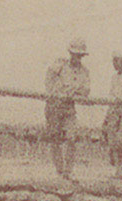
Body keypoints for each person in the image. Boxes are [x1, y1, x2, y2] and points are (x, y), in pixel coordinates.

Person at [44, 38, 90, 178]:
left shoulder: (84, 71)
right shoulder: (60, 65)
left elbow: (86, 91)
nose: (77, 57)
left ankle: (68, 171)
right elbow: (48, 79)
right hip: (54, 105)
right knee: (55, 138)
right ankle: (59, 170)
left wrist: (74, 91)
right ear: (70, 53)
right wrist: (55, 92)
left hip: (69, 107)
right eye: (75, 54)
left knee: (71, 137)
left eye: (80, 55)